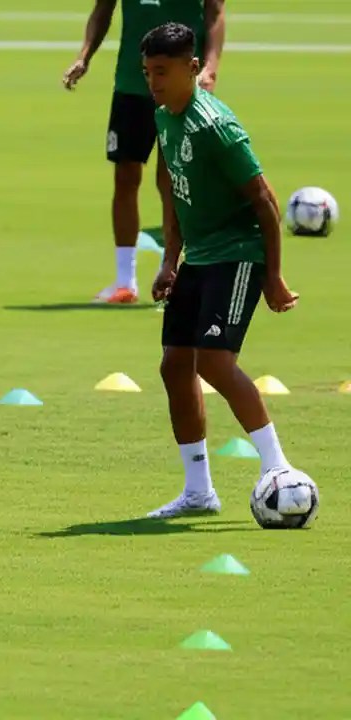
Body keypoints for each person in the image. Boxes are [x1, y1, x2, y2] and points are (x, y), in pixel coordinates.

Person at [141, 23, 298, 518]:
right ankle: (198, 492)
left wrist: (273, 275)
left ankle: (277, 467)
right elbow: (170, 186)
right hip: (199, 257)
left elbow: (266, 200)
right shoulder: (165, 118)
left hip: (238, 253)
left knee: (213, 361)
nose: (153, 81)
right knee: (173, 366)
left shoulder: (215, 126)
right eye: (147, 72)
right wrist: (170, 260)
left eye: (162, 72)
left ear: (193, 67)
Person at [63, 0, 224, 304]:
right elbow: (103, 9)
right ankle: (125, 282)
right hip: (131, 84)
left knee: (173, 182)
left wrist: (211, 68)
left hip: (180, 87)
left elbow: (215, 12)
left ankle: (175, 274)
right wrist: (84, 56)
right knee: (125, 177)